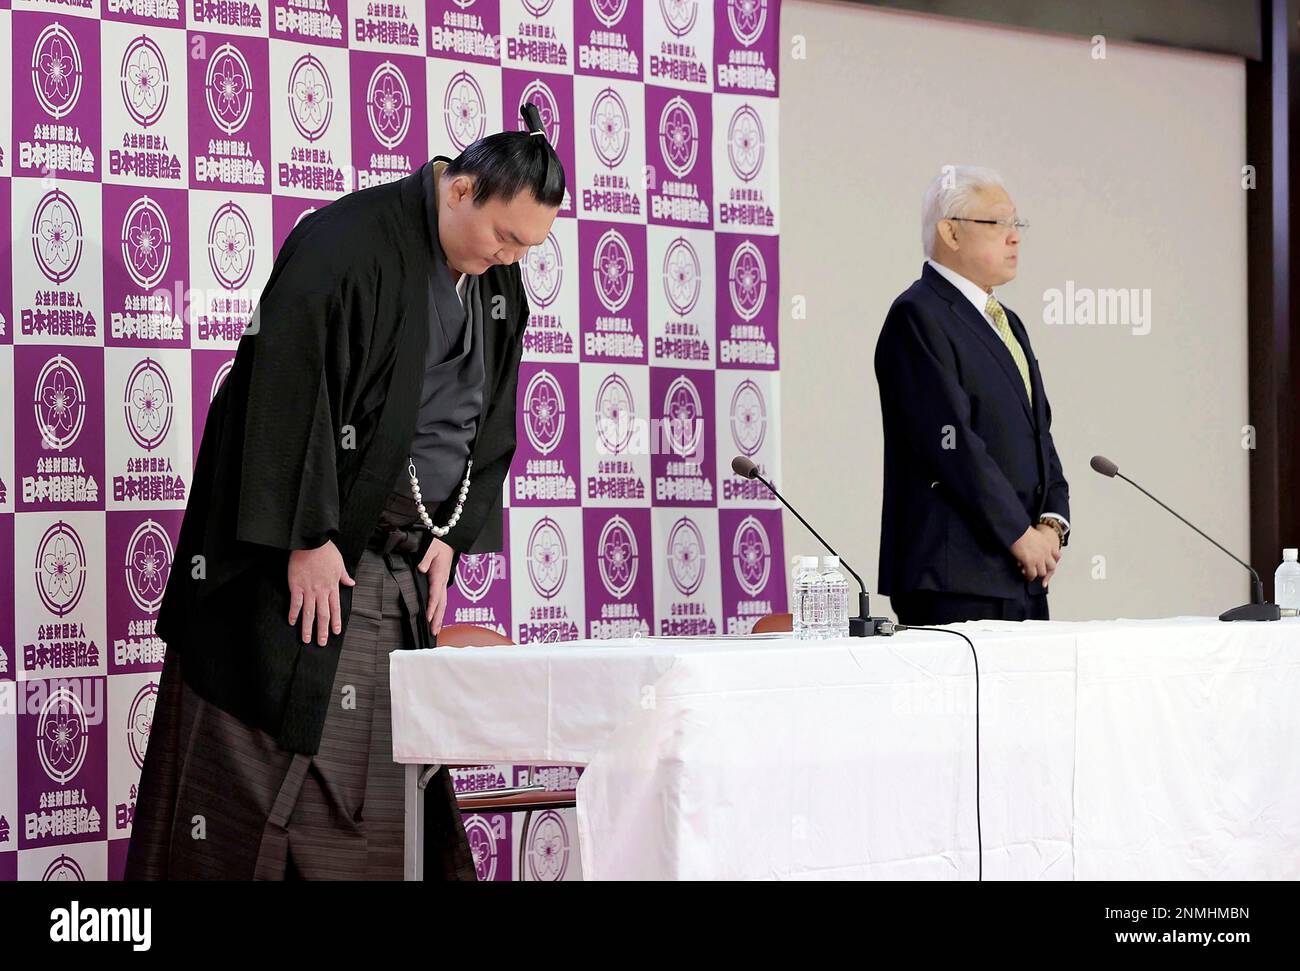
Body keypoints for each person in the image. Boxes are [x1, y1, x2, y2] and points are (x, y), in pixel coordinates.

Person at [125, 106, 564, 880]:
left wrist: (448, 540)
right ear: (460, 189)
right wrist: (307, 536)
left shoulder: (497, 289)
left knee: (383, 805)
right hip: (296, 566)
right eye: (504, 235)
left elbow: (490, 421)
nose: (509, 259)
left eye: (528, 246)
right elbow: (279, 387)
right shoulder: (346, 243)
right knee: (248, 787)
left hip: (391, 567)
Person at [874, 165, 1070, 626]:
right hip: (955, 576)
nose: (1015, 237)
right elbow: (951, 444)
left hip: (1022, 573)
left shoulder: (1008, 322)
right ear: (951, 233)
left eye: (1017, 224)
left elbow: (1039, 433)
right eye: (999, 223)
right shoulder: (917, 316)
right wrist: (1019, 534)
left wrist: (1051, 523)